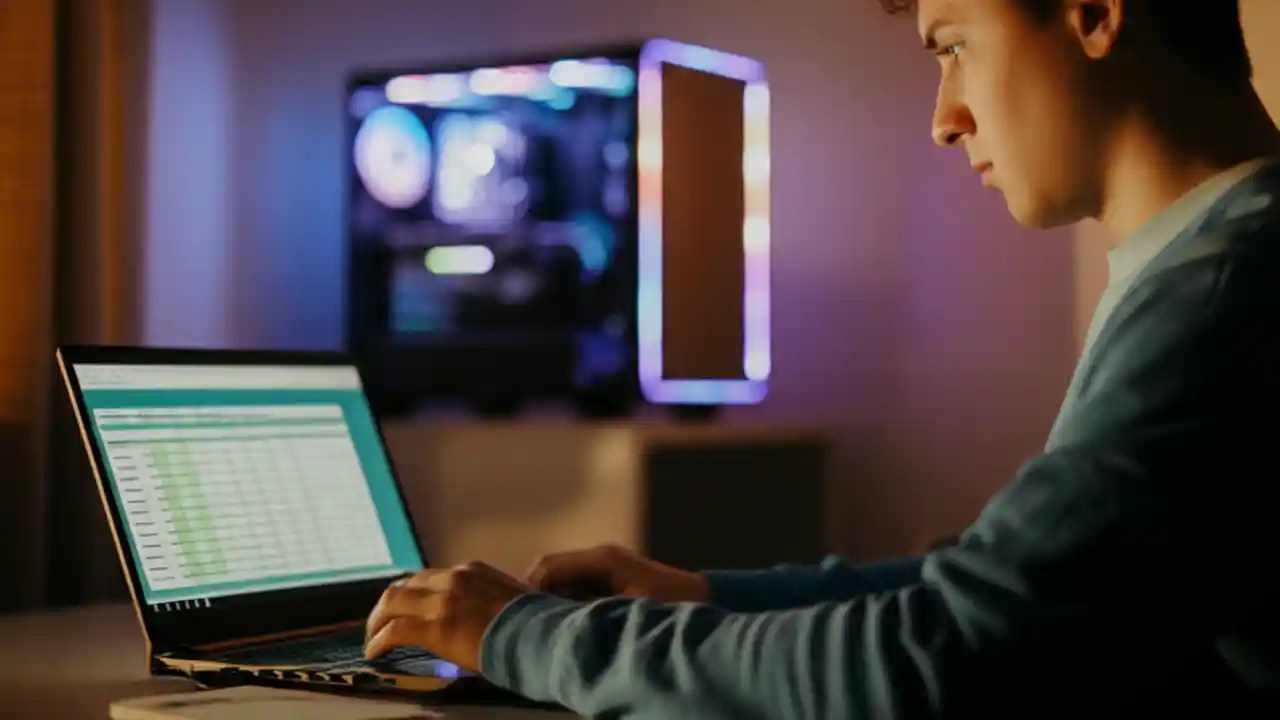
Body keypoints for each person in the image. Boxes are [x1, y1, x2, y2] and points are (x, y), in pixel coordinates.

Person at [363, 0, 1280, 716]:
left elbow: (949, 655)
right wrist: (705, 595)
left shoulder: (1224, 289)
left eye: (953, 45)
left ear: (1093, 12)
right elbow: (1015, 586)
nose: (944, 117)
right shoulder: (1208, 263)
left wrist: (536, 640)